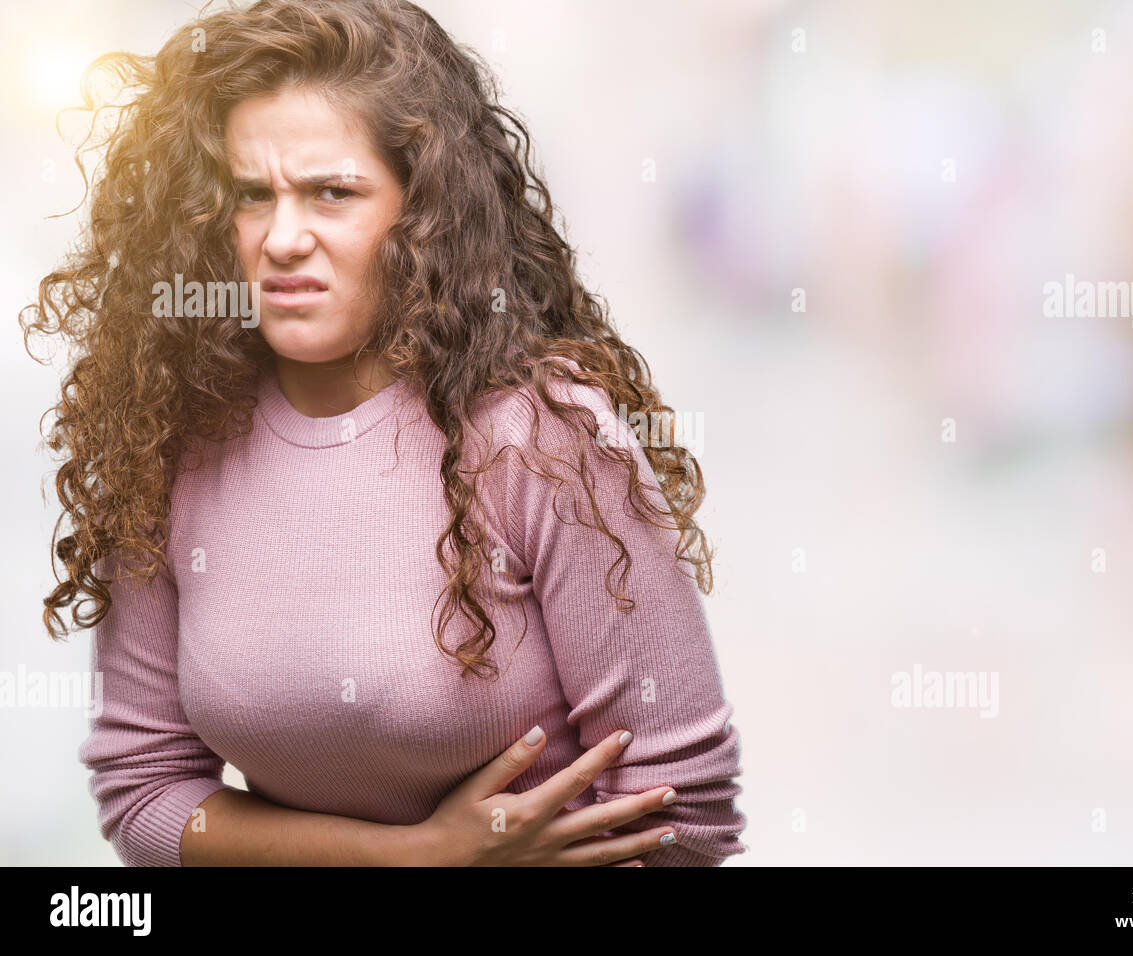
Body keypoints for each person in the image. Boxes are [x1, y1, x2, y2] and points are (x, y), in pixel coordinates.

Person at [22, 0, 746, 866]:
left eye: (333, 192)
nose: (284, 238)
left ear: (424, 213)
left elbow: (685, 823)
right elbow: (146, 791)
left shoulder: (541, 436)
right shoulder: (169, 440)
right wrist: (418, 858)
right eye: (253, 195)